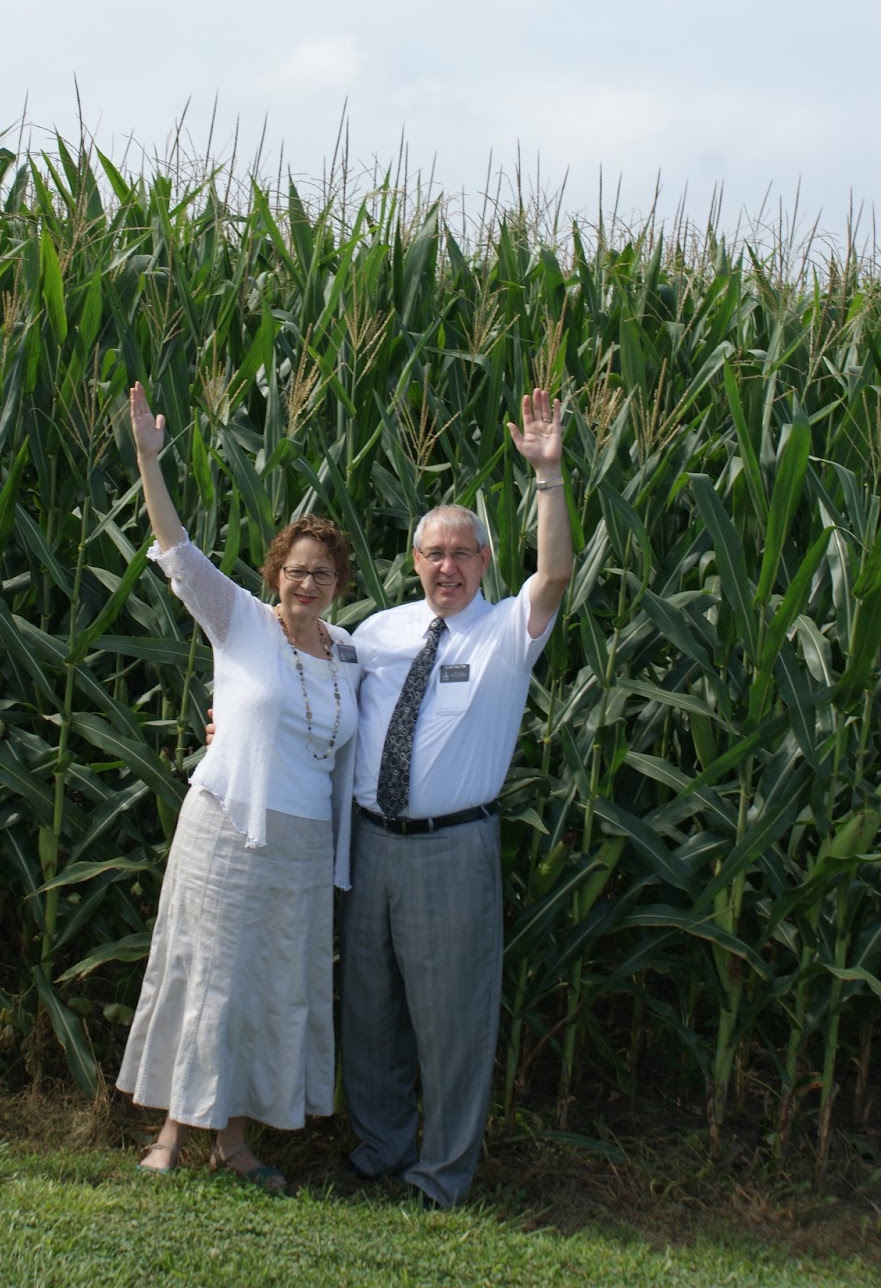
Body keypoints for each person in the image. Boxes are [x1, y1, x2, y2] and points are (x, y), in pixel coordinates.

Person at [116, 381, 361, 1190]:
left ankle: (237, 1143)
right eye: (295, 569)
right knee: (207, 975)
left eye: (321, 573)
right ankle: (169, 1137)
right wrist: (150, 461)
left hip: (302, 848)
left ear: (339, 583)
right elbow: (175, 550)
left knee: (269, 989)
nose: (306, 583)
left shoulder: (353, 655)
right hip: (227, 827)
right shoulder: (239, 621)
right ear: (275, 573)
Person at [339, 387, 572, 1209]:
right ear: (414, 562)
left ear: (483, 562)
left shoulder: (507, 631)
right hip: (369, 844)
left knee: (451, 1023)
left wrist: (546, 476)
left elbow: (557, 573)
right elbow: (309, 693)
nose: (447, 566)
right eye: (433, 553)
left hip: (451, 846)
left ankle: (439, 1176)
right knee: (368, 1012)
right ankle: (378, 1149)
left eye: (462, 553)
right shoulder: (376, 633)